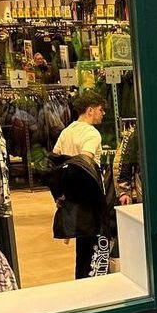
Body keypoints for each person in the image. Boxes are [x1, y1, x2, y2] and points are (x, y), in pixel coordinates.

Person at [51, 90, 108, 278]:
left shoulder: (66, 131)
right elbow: (85, 163)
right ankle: (91, 285)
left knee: (82, 247)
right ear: (90, 110)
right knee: (95, 246)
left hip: (70, 195)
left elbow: (55, 160)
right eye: (101, 109)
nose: (103, 113)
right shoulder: (92, 134)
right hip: (88, 196)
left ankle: (81, 281)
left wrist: (62, 193)